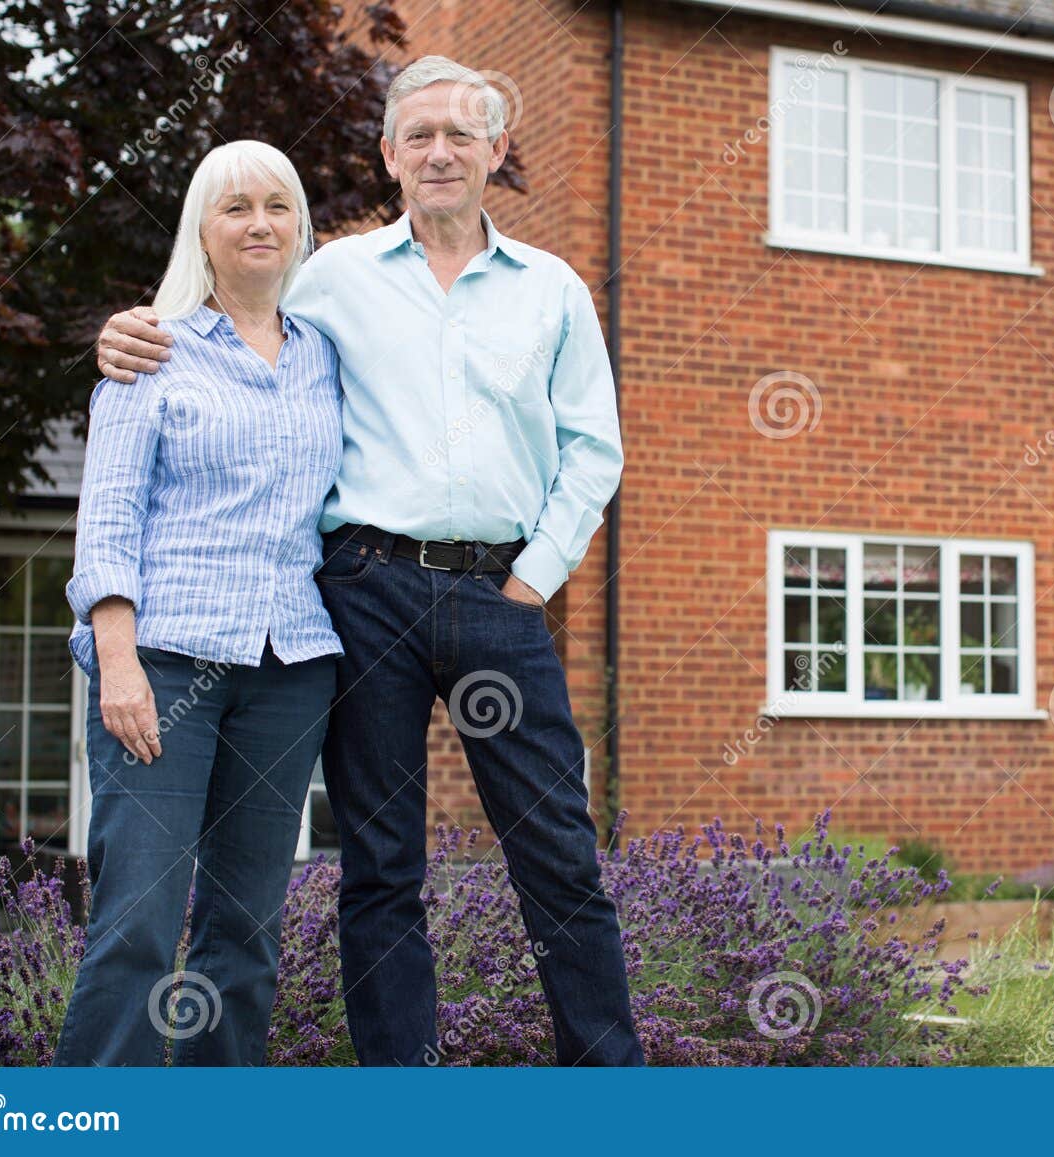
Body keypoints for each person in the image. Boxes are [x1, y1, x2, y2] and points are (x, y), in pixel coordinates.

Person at [95, 56, 644, 1066]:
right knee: (382, 863)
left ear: (494, 151)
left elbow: (592, 449)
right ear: (389, 155)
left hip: (499, 594)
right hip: (362, 593)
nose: (440, 152)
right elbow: (229, 304)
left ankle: (608, 1086)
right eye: (418, 135)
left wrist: (534, 580)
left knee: (558, 850)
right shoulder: (333, 274)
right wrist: (132, 331)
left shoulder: (552, 291)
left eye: (461, 134)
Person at [56, 140, 344, 1066]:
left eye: (276, 205)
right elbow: (107, 517)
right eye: (235, 208)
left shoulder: (329, 357)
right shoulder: (153, 351)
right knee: (138, 921)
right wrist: (118, 660)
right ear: (204, 232)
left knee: (248, 929)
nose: (258, 222)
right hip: (167, 660)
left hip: (290, 667)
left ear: (299, 226)